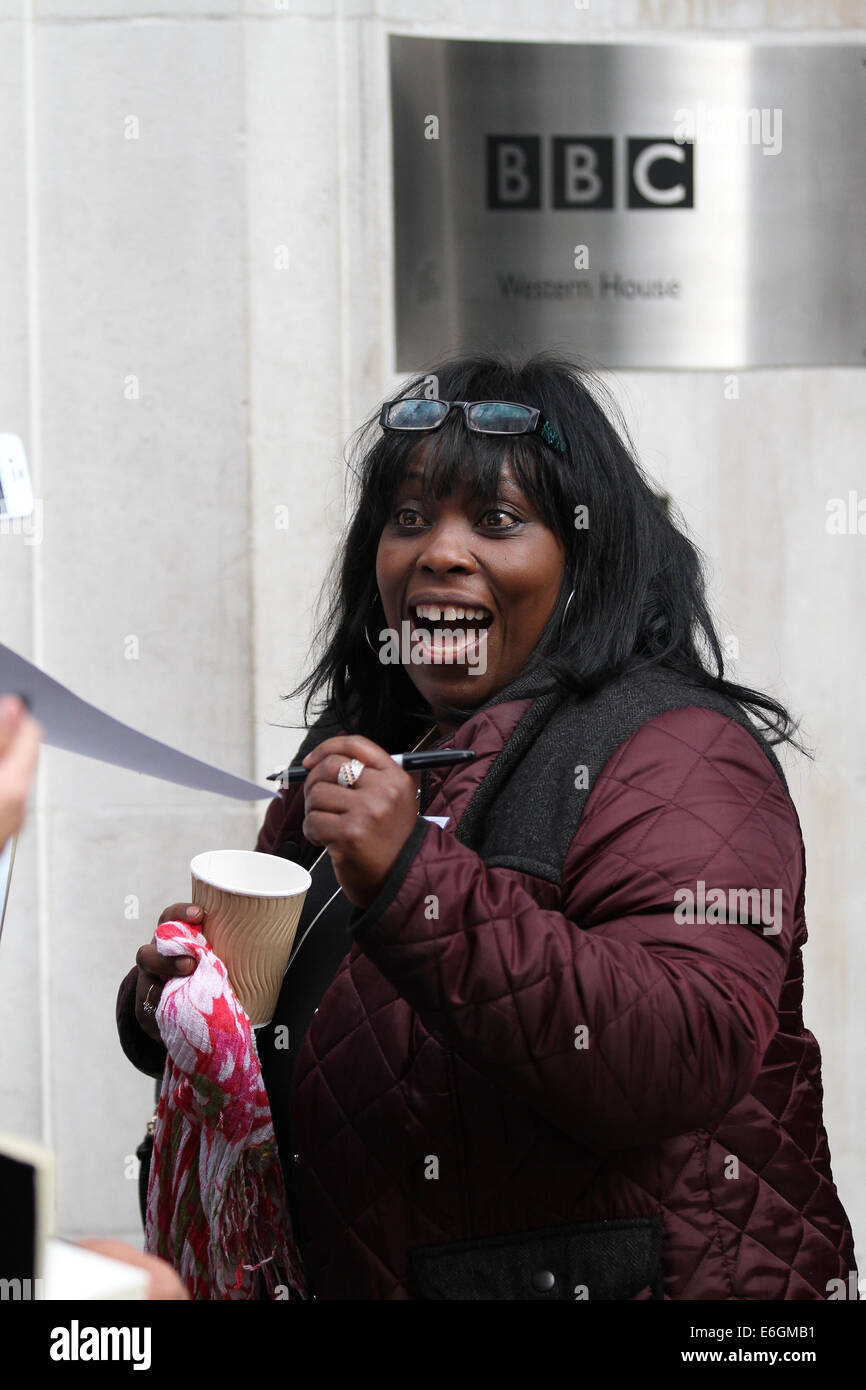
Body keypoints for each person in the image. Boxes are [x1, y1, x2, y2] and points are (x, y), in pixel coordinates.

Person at [117, 351, 857, 1300]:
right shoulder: (372, 753)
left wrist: (412, 882)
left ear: (584, 561)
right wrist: (181, 1004)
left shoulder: (680, 752)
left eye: (498, 521)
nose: (440, 552)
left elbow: (686, 1045)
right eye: (410, 519)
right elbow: (310, 1047)